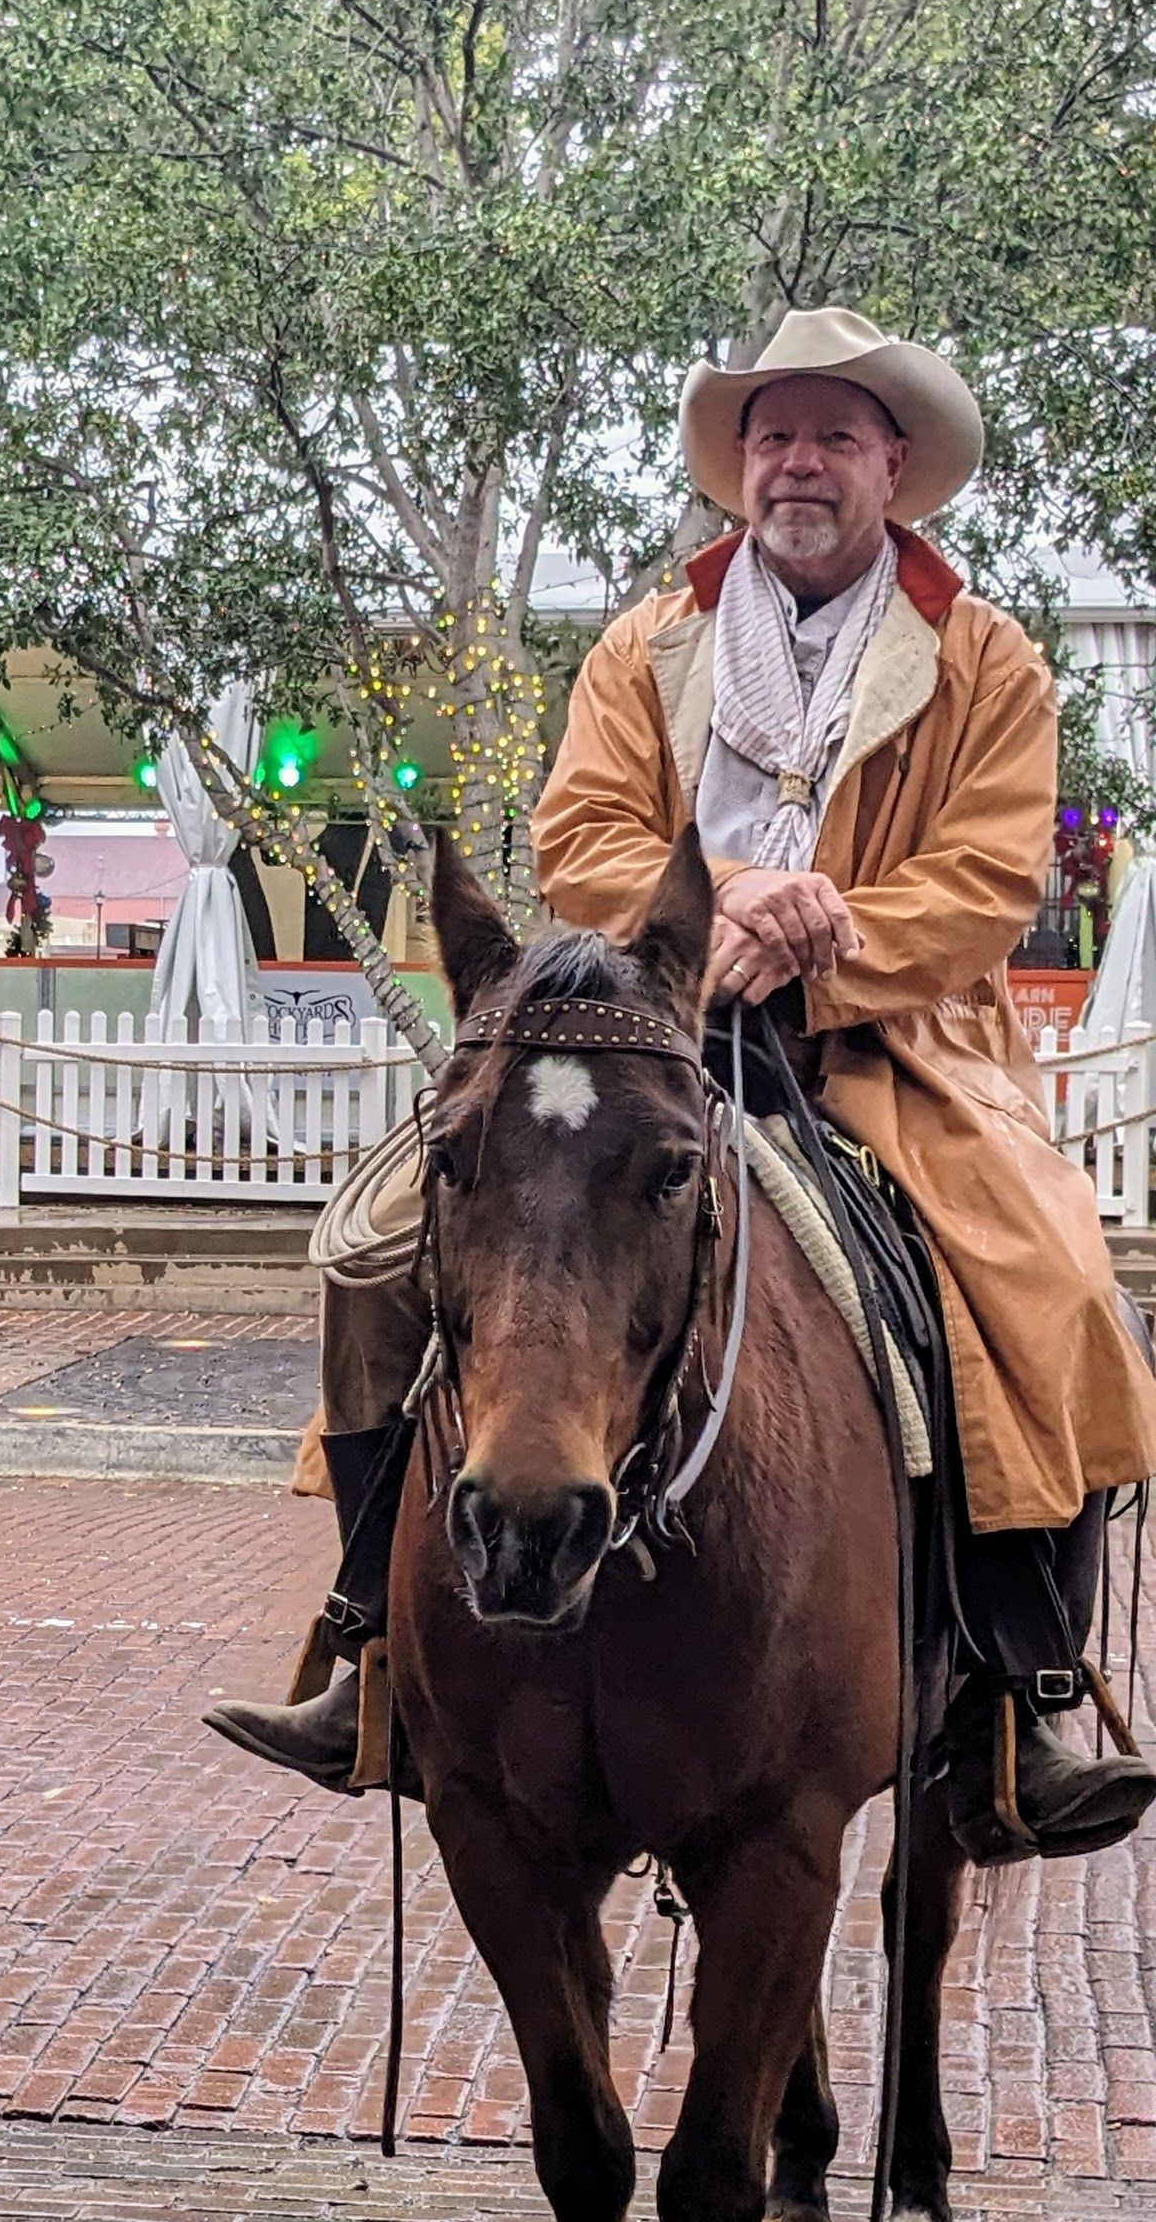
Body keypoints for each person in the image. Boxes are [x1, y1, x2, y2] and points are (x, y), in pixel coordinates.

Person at [214, 308, 1156, 1857]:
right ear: (742, 464)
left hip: (885, 1041)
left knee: (1048, 1279)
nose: (798, 462)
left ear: (894, 467)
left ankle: (1020, 1690)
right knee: (374, 1247)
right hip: (642, 1022)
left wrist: (826, 929)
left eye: (834, 436)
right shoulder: (643, 645)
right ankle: (367, 1645)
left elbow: (990, 876)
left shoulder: (988, 659)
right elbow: (581, 835)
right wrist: (714, 906)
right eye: (774, 435)